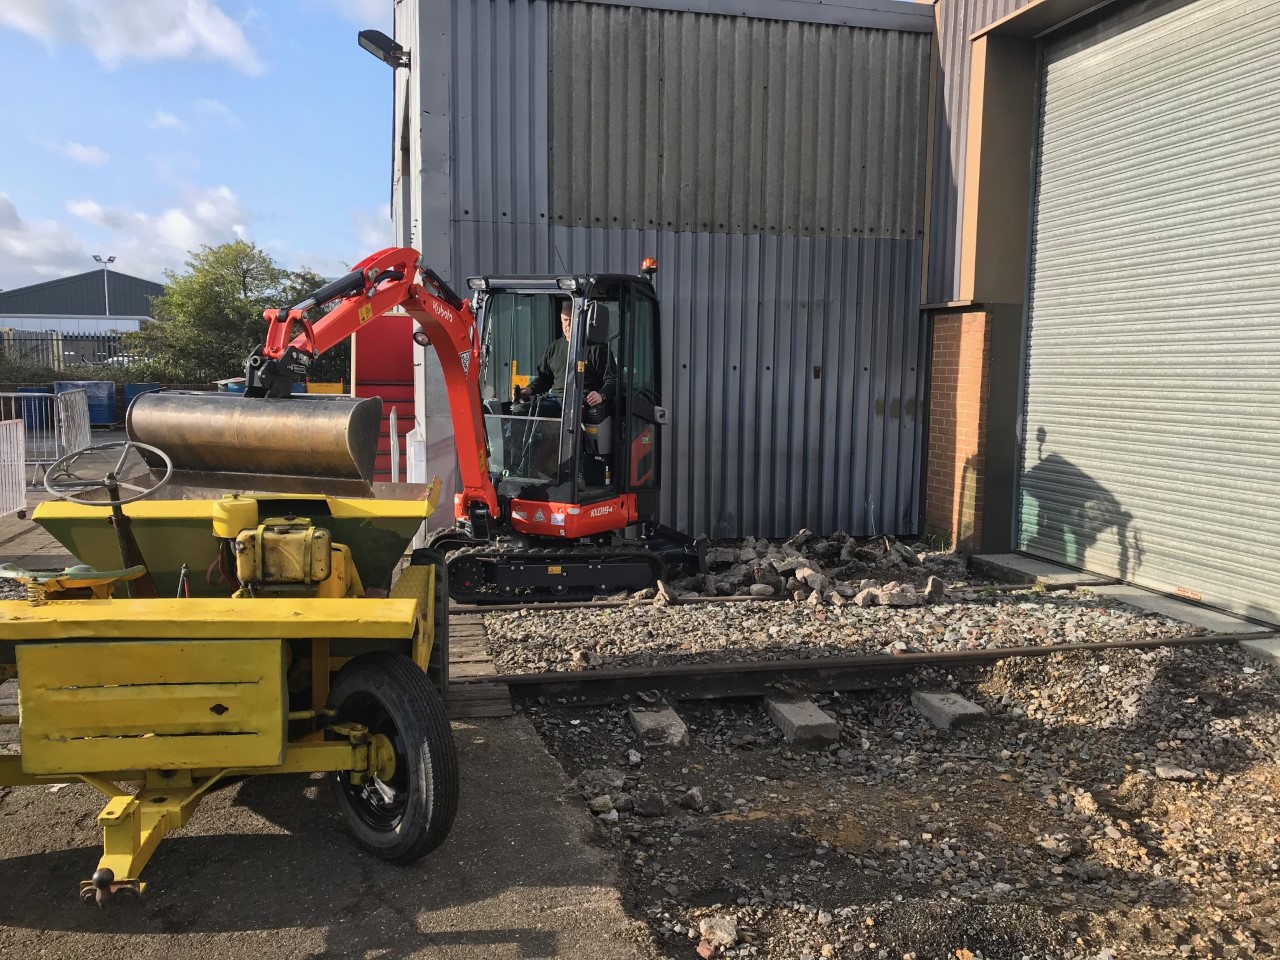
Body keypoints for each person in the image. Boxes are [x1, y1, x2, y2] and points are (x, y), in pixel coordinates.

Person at [519, 299, 615, 417]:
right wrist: (528, 390)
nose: (568, 324)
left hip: (580, 401)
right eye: (565, 320)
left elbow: (612, 380)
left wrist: (601, 395)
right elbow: (544, 379)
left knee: (569, 416)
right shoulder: (554, 347)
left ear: (581, 321)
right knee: (520, 410)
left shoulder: (598, 349)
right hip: (555, 400)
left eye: (571, 320)